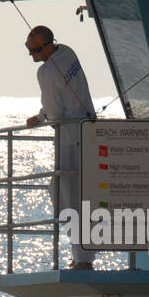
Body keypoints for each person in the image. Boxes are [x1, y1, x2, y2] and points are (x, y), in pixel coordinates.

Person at [24, 25, 97, 269]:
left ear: (47, 46)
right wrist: (41, 115)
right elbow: (59, 100)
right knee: (80, 193)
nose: (32, 56)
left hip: (69, 138)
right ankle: (82, 255)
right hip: (89, 132)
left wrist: (42, 116)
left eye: (35, 50)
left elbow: (55, 111)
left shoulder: (46, 72)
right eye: (28, 50)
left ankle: (83, 258)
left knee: (67, 196)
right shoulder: (68, 52)